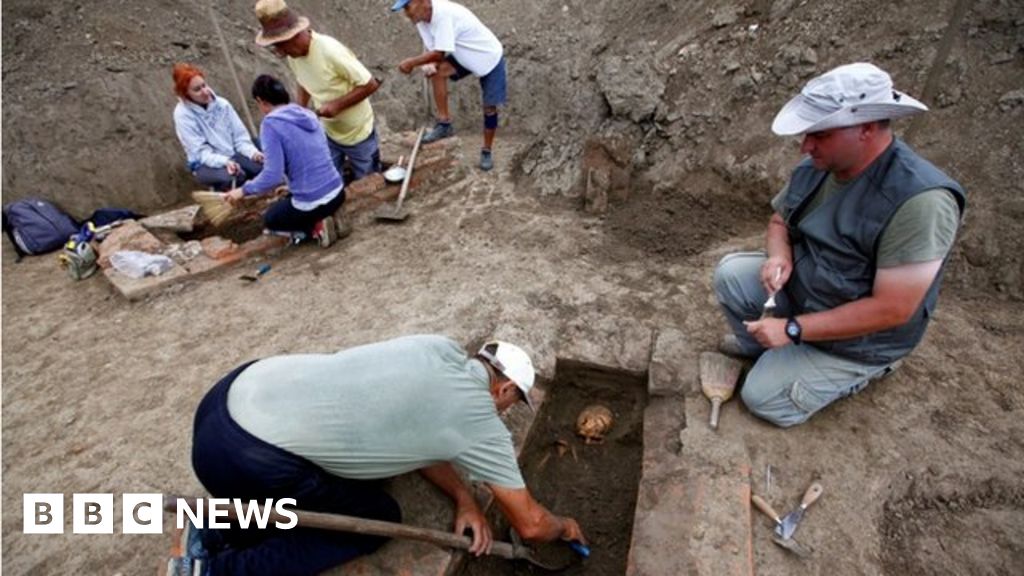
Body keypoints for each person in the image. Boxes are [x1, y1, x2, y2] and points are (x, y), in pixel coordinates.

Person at [171, 335, 587, 576]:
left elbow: (426, 436)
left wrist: (464, 498)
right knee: (374, 519)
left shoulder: (436, 347)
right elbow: (531, 525)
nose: (508, 411)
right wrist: (564, 527)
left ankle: (214, 526)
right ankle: (211, 571)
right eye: (513, 402)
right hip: (243, 458)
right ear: (505, 389)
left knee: (348, 481)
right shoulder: (479, 417)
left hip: (230, 395)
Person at [712, 63, 966, 428]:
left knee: (762, 398)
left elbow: (892, 309)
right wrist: (780, 257)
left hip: (861, 340)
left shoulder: (920, 201)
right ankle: (768, 353)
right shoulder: (819, 166)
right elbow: (780, 222)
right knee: (732, 274)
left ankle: (863, 371)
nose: (806, 145)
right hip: (813, 294)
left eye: (821, 134)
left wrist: (792, 330)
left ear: (865, 129)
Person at [253, 0, 382, 181]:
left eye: (280, 46)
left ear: (293, 36)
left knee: (368, 181)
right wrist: (301, 109)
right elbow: (303, 81)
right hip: (329, 132)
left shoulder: (330, 51)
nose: (280, 52)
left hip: (358, 132)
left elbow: (370, 84)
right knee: (329, 178)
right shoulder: (294, 55)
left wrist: (337, 105)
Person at [225, 75, 344, 248]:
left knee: (271, 219)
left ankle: (316, 229)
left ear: (261, 101)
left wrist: (242, 190)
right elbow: (310, 159)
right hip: (338, 192)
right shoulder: (307, 114)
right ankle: (332, 216)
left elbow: (272, 175)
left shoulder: (271, 124)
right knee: (288, 199)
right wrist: (291, 187)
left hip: (313, 203)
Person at [393, 0, 508, 171]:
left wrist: (412, 62)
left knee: (489, 107)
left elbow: (439, 54)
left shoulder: (442, 14)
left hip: (488, 57)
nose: (406, 14)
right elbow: (434, 50)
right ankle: (444, 124)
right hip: (464, 54)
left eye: (407, 7)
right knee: (438, 72)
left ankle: (486, 150)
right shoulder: (422, 20)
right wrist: (430, 64)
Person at [172, 63, 264, 191]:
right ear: (186, 95)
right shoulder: (183, 115)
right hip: (205, 163)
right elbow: (200, 153)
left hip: (233, 153)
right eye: (197, 90)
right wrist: (225, 162)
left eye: (204, 85)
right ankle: (227, 192)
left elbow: (240, 137)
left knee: (263, 164)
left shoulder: (222, 104)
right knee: (235, 176)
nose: (205, 92)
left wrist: (253, 153)